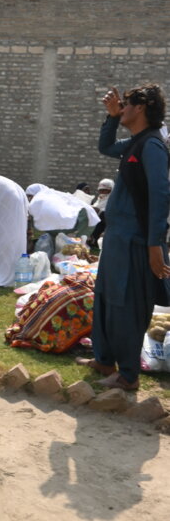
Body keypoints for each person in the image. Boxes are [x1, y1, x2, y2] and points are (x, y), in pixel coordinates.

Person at [77, 84, 170, 390]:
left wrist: (155, 243)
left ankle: (128, 374)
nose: (122, 106)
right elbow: (105, 146)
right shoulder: (135, 142)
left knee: (127, 304)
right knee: (105, 298)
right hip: (117, 238)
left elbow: (160, 194)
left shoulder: (152, 147)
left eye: (126, 103)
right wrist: (112, 118)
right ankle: (104, 359)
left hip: (135, 240)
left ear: (141, 107)